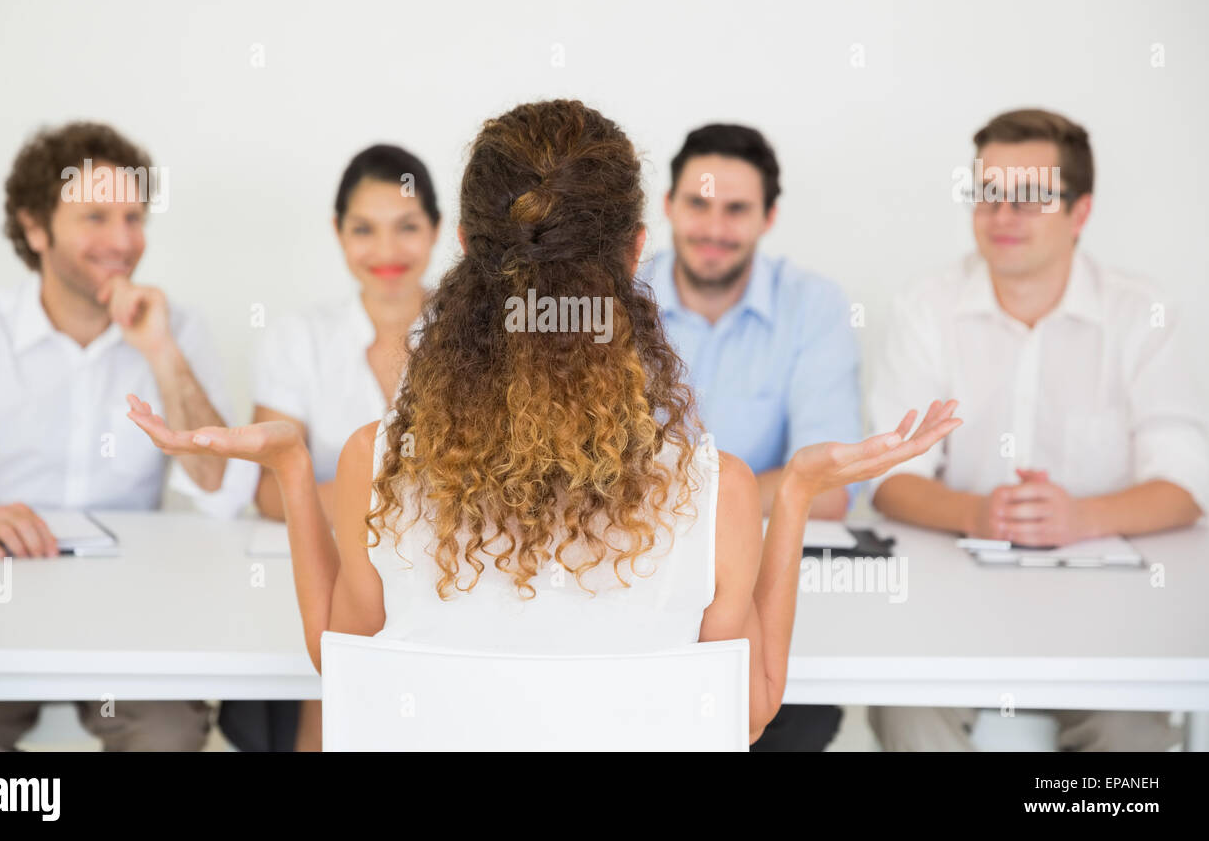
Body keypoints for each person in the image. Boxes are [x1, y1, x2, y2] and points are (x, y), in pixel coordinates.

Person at [125, 98, 960, 748]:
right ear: (637, 251)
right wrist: (803, 488)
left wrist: (291, 474)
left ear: (466, 249)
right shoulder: (724, 490)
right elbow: (745, 713)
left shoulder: (374, 464)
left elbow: (343, 668)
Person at [867, 108, 1209, 751]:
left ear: (1080, 213)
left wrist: (1080, 518)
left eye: (1029, 197)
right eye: (989, 194)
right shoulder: (926, 307)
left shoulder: (1142, 315)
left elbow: (1186, 481)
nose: (1002, 216)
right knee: (906, 713)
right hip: (954, 605)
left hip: (1111, 617)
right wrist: (977, 512)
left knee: (1129, 732)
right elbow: (889, 476)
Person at [0, 122, 256, 751]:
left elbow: (223, 487)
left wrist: (159, 351)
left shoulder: (175, 329)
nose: (123, 241)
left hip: (129, 612)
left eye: (134, 216)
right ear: (36, 228)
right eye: (95, 216)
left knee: (168, 732)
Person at [640, 123, 861, 751]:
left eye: (736, 209)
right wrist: (766, 489)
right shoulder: (618, 303)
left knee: (794, 715)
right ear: (668, 207)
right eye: (698, 205)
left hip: (769, 582)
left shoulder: (813, 307)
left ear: (769, 217)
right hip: (641, 582)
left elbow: (829, 489)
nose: (714, 227)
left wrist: (674, 498)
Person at [222, 144, 439, 752]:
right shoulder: (300, 338)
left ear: (437, 232)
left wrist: (344, 497)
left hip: (440, 573)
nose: (387, 251)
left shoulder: (470, 340)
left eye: (407, 228)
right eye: (364, 229)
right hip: (333, 567)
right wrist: (389, 500)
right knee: (333, 681)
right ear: (338, 233)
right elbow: (268, 491)